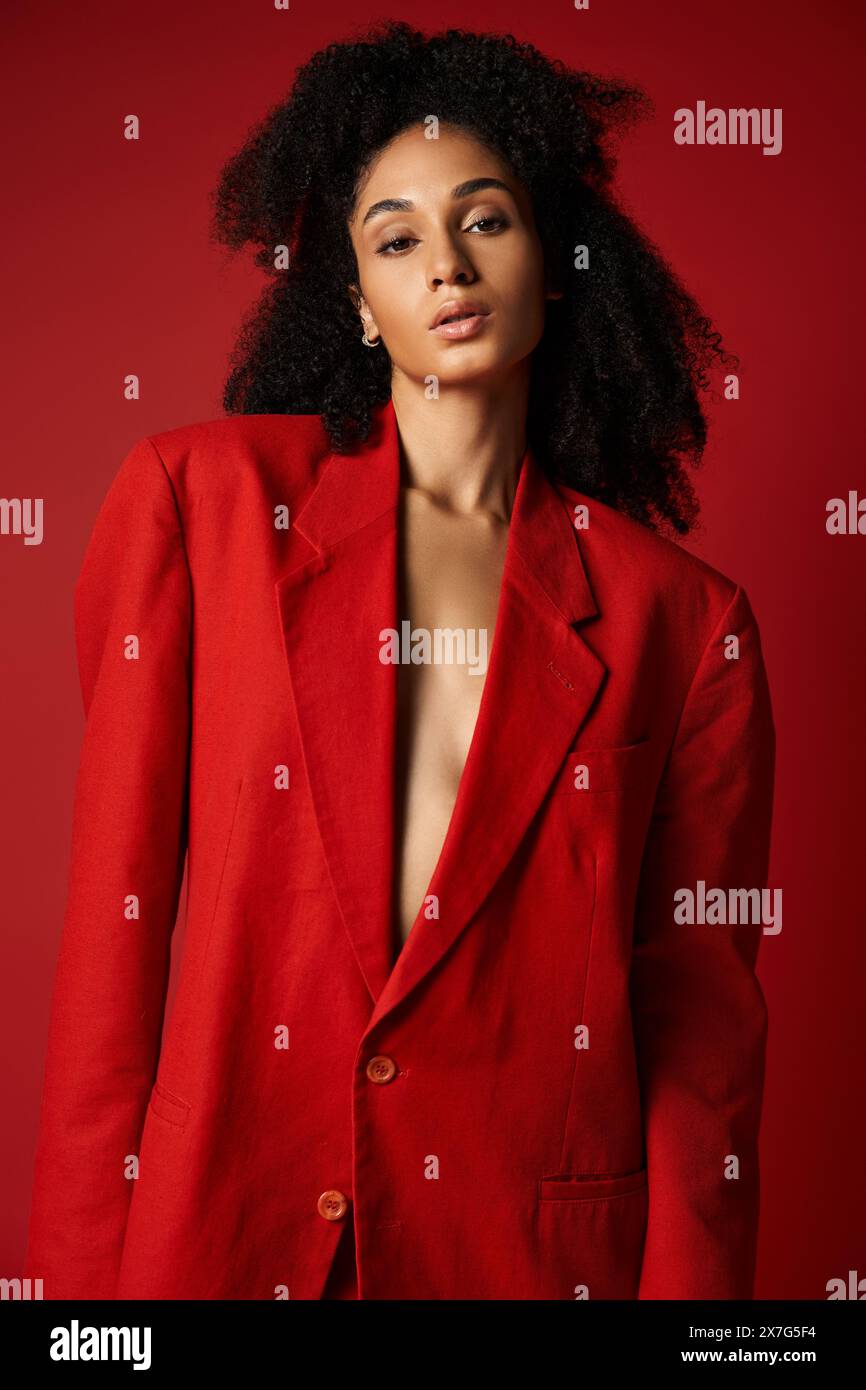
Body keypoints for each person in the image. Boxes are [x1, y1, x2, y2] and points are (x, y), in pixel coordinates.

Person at [25, 20, 775, 1301]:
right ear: (357, 303)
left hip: (526, 1260)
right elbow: (115, 941)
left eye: (484, 221)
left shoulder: (684, 625)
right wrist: (84, 1317)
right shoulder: (196, 508)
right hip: (226, 1238)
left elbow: (695, 1039)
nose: (444, 264)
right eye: (395, 238)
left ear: (551, 265)